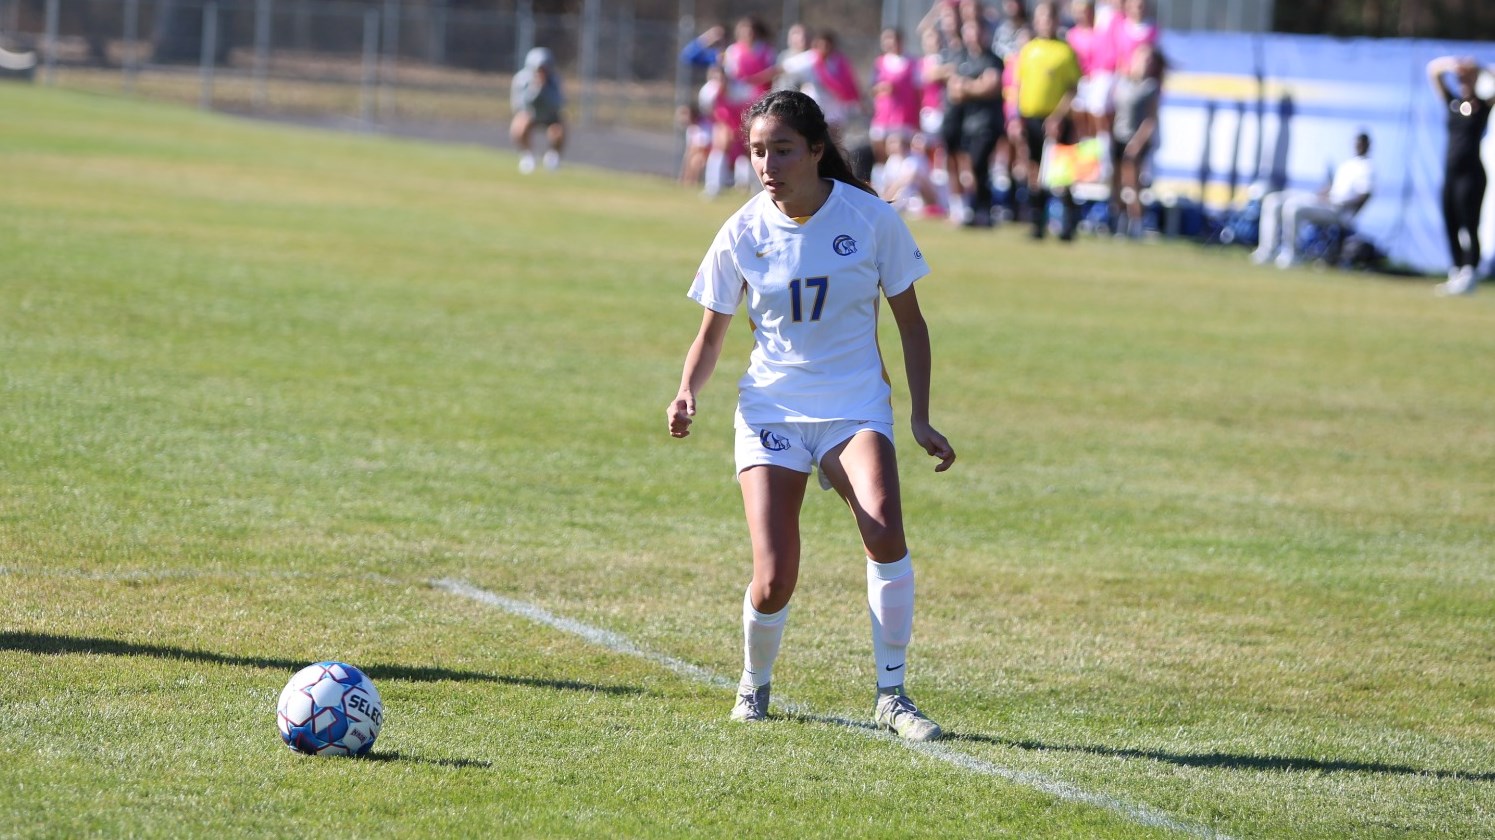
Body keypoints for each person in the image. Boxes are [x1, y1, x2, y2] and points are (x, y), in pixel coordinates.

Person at [666, 89, 956, 741]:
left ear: (817, 150)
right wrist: (687, 391)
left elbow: (911, 325)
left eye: (782, 150)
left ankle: (892, 695)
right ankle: (754, 685)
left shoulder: (870, 218)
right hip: (772, 407)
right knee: (773, 578)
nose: (767, 164)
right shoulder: (741, 228)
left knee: (884, 533)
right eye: (757, 151)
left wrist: (918, 417)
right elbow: (711, 334)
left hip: (853, 405)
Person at [1011, 1, 1082, 239]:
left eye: (1049, 18)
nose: (1045, 23)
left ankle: (1067, 226)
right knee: (1033, 171)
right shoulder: (1029, 49)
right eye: (1041, 18)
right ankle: (1036, 223)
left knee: (1061, 174)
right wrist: (1016, 117)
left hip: (1057, 120)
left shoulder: (1065, 51)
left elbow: (1072, 89)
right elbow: (1019, 86)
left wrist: (1058, 116)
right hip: (1031, 117)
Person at [1250, 132, 1374, 269]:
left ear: (1367, 145)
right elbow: (1335, 188)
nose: (1357, 146)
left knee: (1293, 208)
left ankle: (1291, 255)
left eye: (1361, 143)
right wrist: (1323, 193)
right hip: (1325, 202)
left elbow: (1364, 195)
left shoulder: (1368, 168)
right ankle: (1267, 251)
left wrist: (1343, 206)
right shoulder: (1348, 164)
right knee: (1273, 201)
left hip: (1338, 210)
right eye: (1356, 142)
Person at [1427, 55, 1495, 296]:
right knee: (1450, 222)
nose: (1464, 82)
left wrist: (1479, 67)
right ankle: (1456, 271)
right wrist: (1453, 64)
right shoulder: (1453, 103)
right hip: (1451, 174)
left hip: (1472, 174)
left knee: (1469, 224)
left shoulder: (1482, 105)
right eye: (1461, 79)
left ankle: (1470, 272)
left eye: (1468, 78)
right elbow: (1433, 71)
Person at [947, 16, 1005, 227]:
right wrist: (974, 86)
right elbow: (954, 91)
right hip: (966, 124)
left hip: (987, 123)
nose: (974, 36)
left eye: (978, 31)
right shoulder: (962, 59)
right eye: (970, 31)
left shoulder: (992, 60)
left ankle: (981, 210)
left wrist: (966, 87)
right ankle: (977, 210)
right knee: (971, 169)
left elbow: (991, 86)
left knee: (977, 165)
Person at [1107, 43, 1162, 238]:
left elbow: (1150, 120)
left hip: (1136, 141)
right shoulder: (1122, 82)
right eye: (1141, 59)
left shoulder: (1151, 87)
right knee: (1116, 183)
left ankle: (1136, 224)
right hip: (1118, 137)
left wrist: (1137, 143)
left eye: (1148, 60)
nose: (1144, 64)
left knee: (1132, 183)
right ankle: (1118, 222)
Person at [510, 47, 565, 174]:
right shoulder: (522, 79)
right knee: (520, 125)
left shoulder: (554, 81)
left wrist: (545, 91)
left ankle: (552, 157)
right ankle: (527, 156)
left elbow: (558, 104)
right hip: (530, 115)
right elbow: (520, 105)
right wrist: (536, 89)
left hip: (549, 116)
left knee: (559, 129)